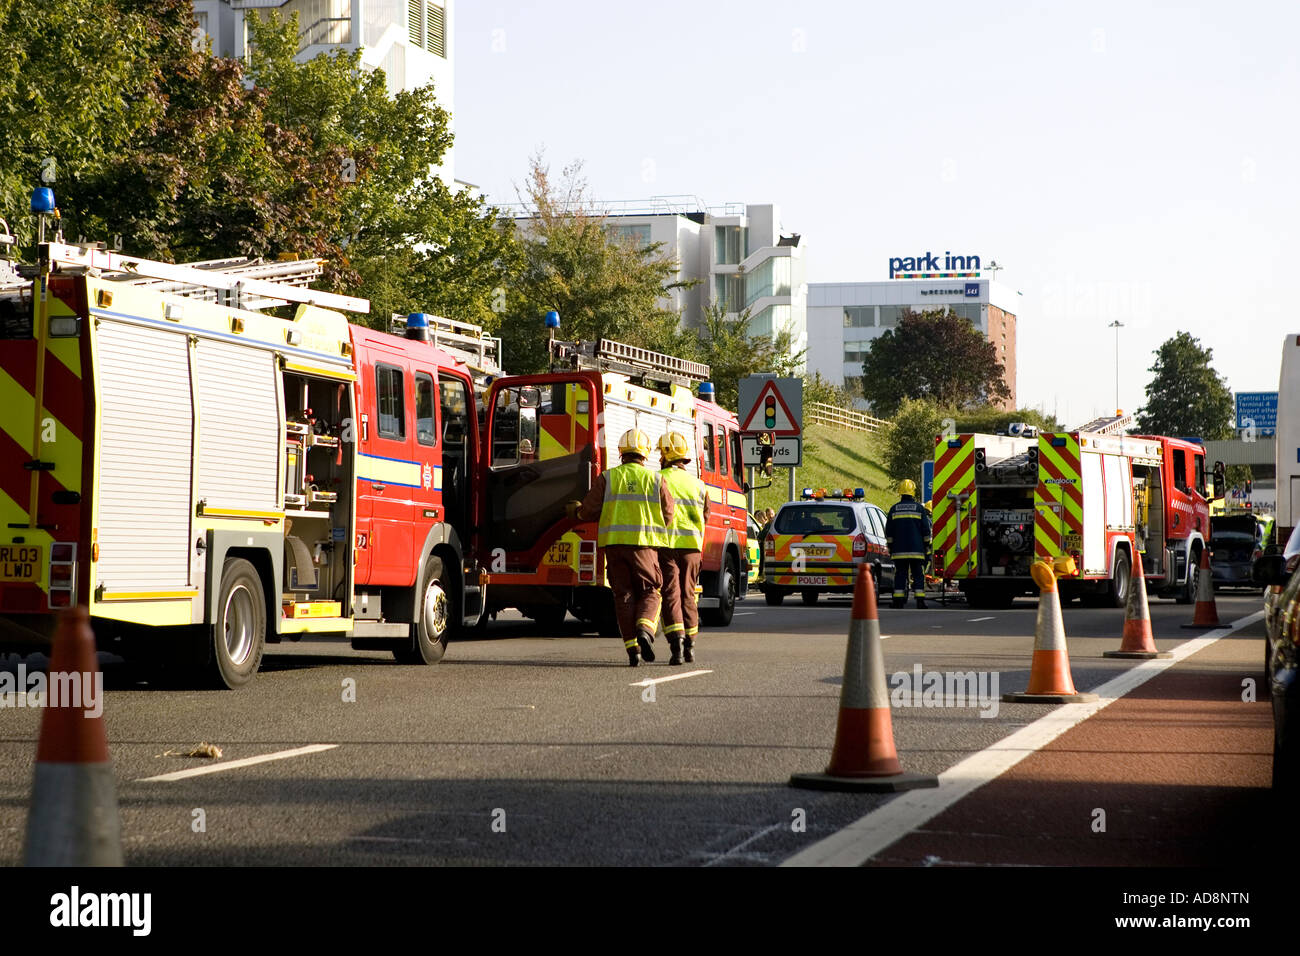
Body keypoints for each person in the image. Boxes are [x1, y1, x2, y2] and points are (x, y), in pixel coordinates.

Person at [567, 429, 674, 666]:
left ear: (621, 453)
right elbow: (668, 514)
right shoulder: (656, 479)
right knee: (650, 591)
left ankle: (632, 651)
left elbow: (588, 510)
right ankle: (645, 631)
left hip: (614, 547)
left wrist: (576, 511)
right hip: (644, 546)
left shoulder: (608, 477)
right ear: (645, 454)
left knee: (623, 595)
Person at [657, 431, 711, 665]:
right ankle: (690, 644)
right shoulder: (699, 485)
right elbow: (706, 515)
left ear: (665, 455)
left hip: (666, 546)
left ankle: (676, 645)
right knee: (689, 595)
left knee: (671, 595)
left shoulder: (658, 479)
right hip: (692, 548)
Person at [885, 478, 931, 609]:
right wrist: (926, 545)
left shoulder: (894, 509)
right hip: (917, 550)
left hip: (899, 551)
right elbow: (926, 530)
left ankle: (898, 602)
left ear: (900, 492)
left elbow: (889, 531)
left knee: (900, 574)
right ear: (913, 492)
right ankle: (920, 601)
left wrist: (891, 546)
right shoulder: (919, 509)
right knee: (918, 575)